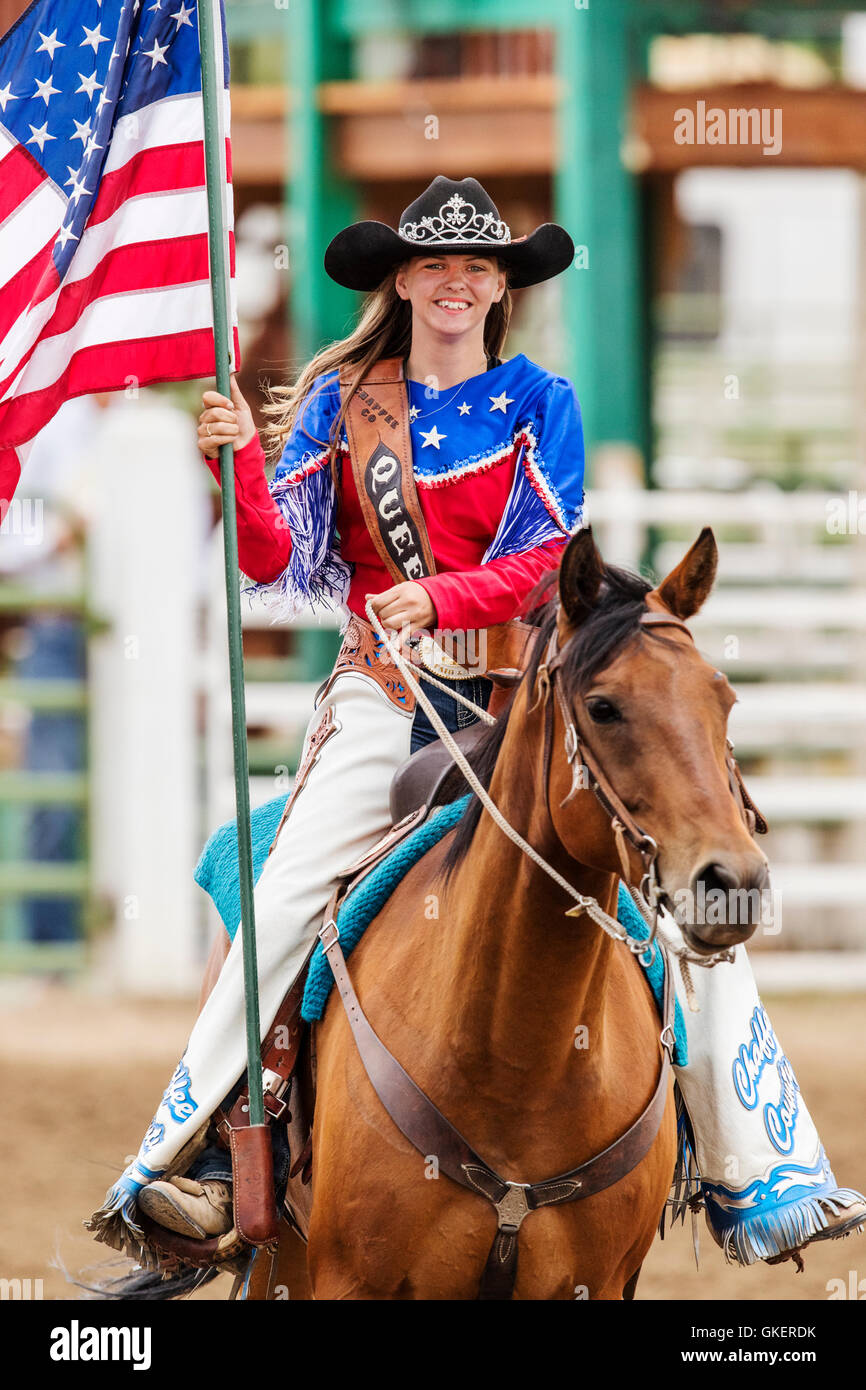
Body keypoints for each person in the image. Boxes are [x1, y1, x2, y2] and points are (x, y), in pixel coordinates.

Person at [88, 176, 864, 1274]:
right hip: (385, 697)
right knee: (281, 892)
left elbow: (554, 555)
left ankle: (758, 1164)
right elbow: (273, 559)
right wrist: (234, 468)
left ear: (501, 288)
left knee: (679, 873)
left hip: (523, 695)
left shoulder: (537, 399)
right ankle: (194, 1153)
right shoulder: (343, 404)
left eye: (478, 268)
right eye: (435, 265)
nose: (456, 283)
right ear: (401, 281)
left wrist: (444, 597)